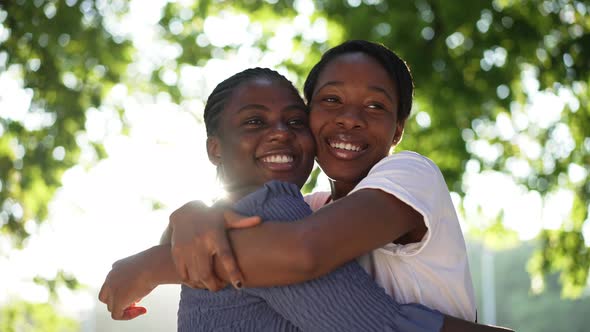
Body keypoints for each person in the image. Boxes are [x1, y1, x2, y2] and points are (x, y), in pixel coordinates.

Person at [99, 67, 448, 331]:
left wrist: (155, 259)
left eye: (296, 121)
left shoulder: (301, 214)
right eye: (254, 121)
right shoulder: (275, 210)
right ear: (214, 148)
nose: (281, 132)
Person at [167, 40, 477, 321]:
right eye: (331, 100)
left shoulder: (412, 174)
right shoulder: (309, 210)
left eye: (375, 106)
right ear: (311, 113)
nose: (350, 118)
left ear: (397, 130)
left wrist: (147, 267)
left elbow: (303, 249)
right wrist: (196, 213)